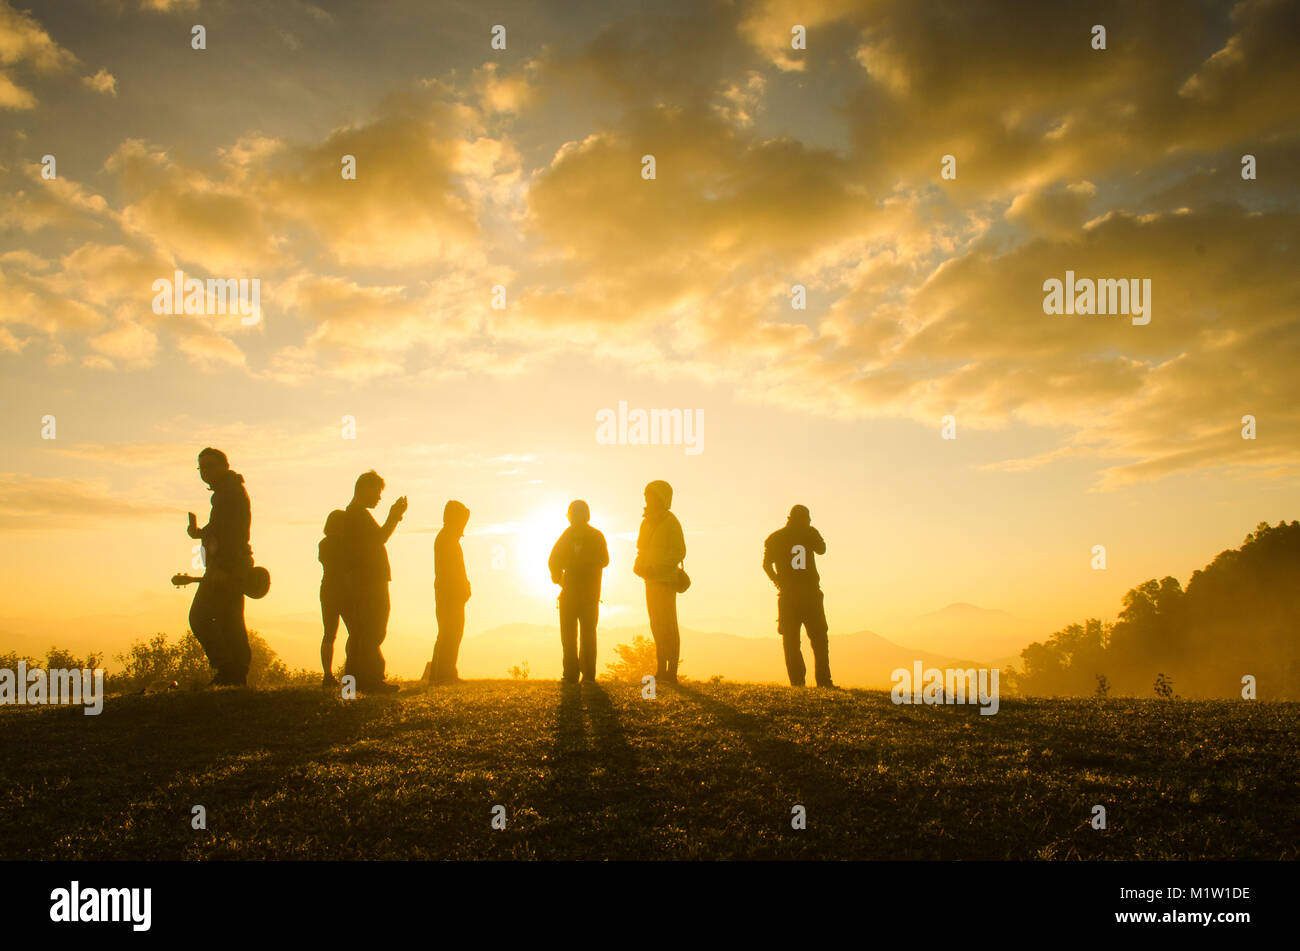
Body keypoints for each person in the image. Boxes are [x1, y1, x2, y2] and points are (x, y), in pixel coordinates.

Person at [186, 447, 253, 687]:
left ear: (224, 466)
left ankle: (227, 668)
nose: (204, 472)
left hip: (227, 566)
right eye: (201, 467)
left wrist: (221, 569)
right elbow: (221, 529)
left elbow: (231, 535)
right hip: (232, 565)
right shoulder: (228, 491)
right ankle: (236, 673)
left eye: (209, 466)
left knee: (200, 617)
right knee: (230, 618)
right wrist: (199, 533)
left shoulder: (229, 493)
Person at [341, 471, 406, 694]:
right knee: (372, 630)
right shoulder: (357, 516)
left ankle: (354, 683)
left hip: (364, 581)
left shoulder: (356, 515)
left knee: (363, 632)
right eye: (377, 493)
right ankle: (368, 681)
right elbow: (379, 539)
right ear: (364, 489)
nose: (379, 498)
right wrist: (394, 516)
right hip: (369, 582)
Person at [763, 504, 835, 688]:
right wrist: (811, 530)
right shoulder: (808, 533)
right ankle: (824, 681)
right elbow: (822, 549)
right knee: (819, 639)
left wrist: (776, 580)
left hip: (788, 595)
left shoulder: (775, 538)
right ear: (804, 519)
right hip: (810, 593)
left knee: (791, 641)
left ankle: (797, 682)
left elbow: (766, 565)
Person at [548, 500, 610, 685]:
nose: (574, 517)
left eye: (576, 514)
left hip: (587, 595)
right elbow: (553, 561)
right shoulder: (569, 536)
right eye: (573, 514)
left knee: (585, 635)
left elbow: (604, 560)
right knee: (571, 636)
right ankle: (572, 674)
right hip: (573, 594)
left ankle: (587, 675)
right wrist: (558, 577)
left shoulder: (595, 536)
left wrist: (569, 571)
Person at [633, 480, 685, 684]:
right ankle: (661, 668)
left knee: (668, 625)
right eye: (646, 495)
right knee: (656, 624)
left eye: (650, 495)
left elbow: (679, 551)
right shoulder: (646, 521)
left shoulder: (671, 522)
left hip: (666, 580)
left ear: (661, 498)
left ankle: (671, 671)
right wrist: (639, 564)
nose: (646, 499)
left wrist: (657, 566)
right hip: (650, 580)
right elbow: (641, 548)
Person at [430, 500, 471, 685]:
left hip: (450, 593)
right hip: (450, 594)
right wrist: (462, 587)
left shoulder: (448, 538)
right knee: (450, 632)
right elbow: (451, 571)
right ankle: (444, 674)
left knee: (448, 632)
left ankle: (441, 673)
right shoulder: (447, 539)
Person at [318, 509, 348, 687]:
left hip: (327, 589)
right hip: (343, 590)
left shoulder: (324, 543)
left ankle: (327, 675)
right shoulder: (345, 544)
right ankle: (351, 673)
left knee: (329, 634)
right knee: (354, 632)